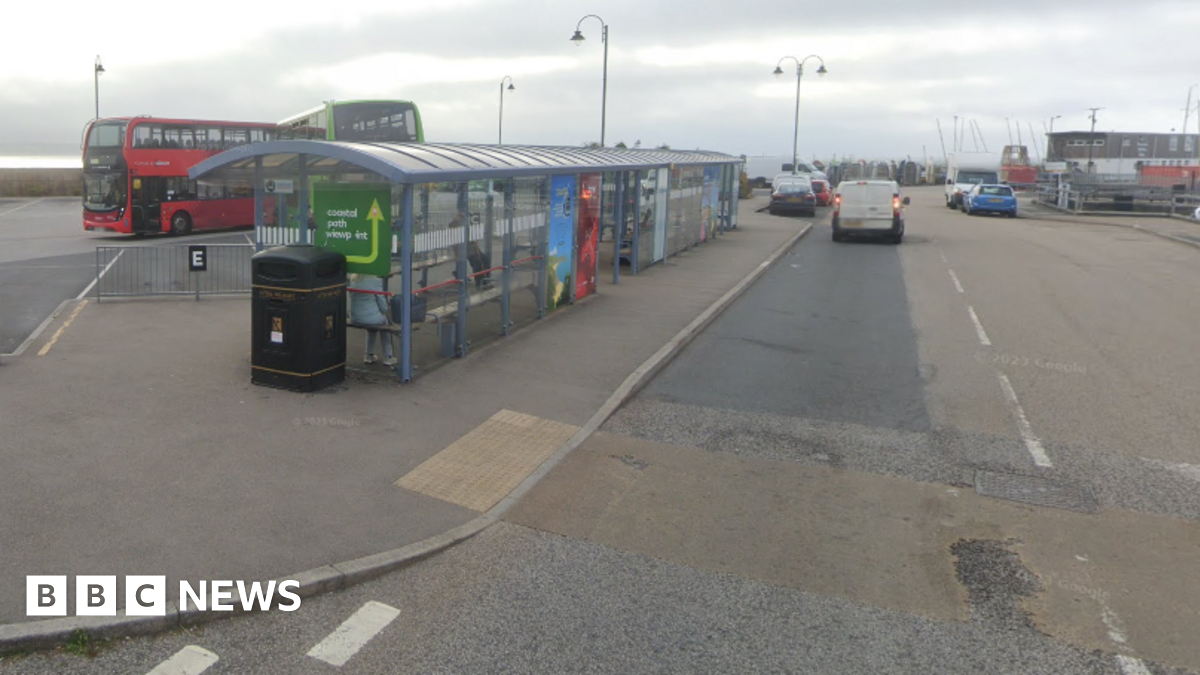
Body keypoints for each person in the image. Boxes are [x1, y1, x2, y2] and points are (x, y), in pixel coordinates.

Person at [348, 274, 396, 366]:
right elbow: (383, 307)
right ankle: (388, 356)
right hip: (371, 318)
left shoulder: (352, 279)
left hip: (355, 317)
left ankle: (369, 355)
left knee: (372, 328)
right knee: (385, 322)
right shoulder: (375, 281)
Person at [450, 213, 494, 289]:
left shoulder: (465, 224)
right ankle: (479, 284)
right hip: (465, 250)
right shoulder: (454, 225)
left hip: (472, 248)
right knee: (477, 263)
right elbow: (455, 242)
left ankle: (485, 281)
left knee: (485, 260)